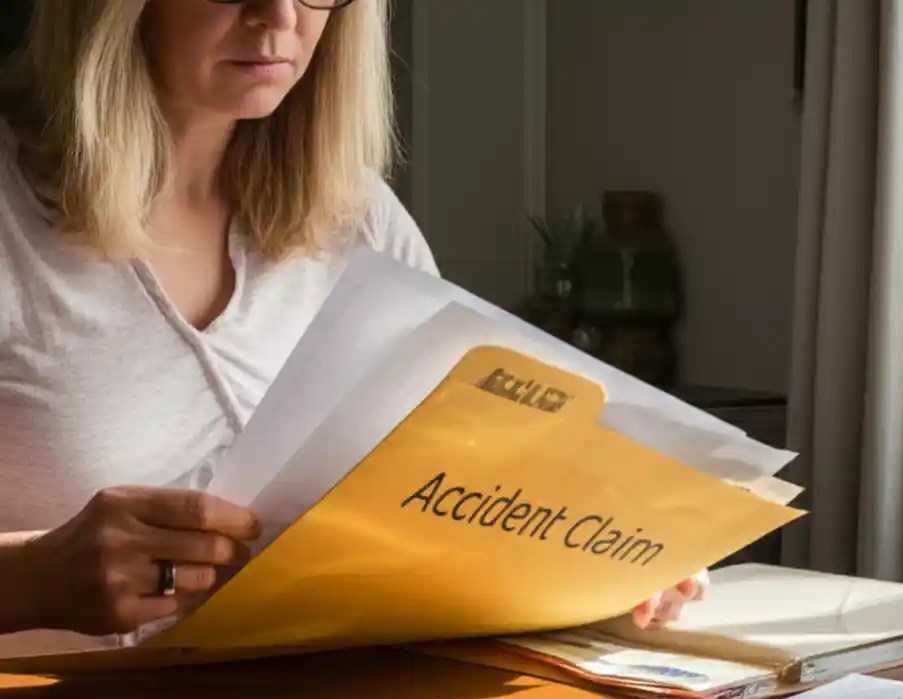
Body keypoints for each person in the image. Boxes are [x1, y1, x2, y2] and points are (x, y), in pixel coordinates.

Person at [0, 0, 704, 657]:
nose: (279, 16)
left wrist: (592, 555)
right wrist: (32, 576)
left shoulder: (354, 213)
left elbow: (464, 487)